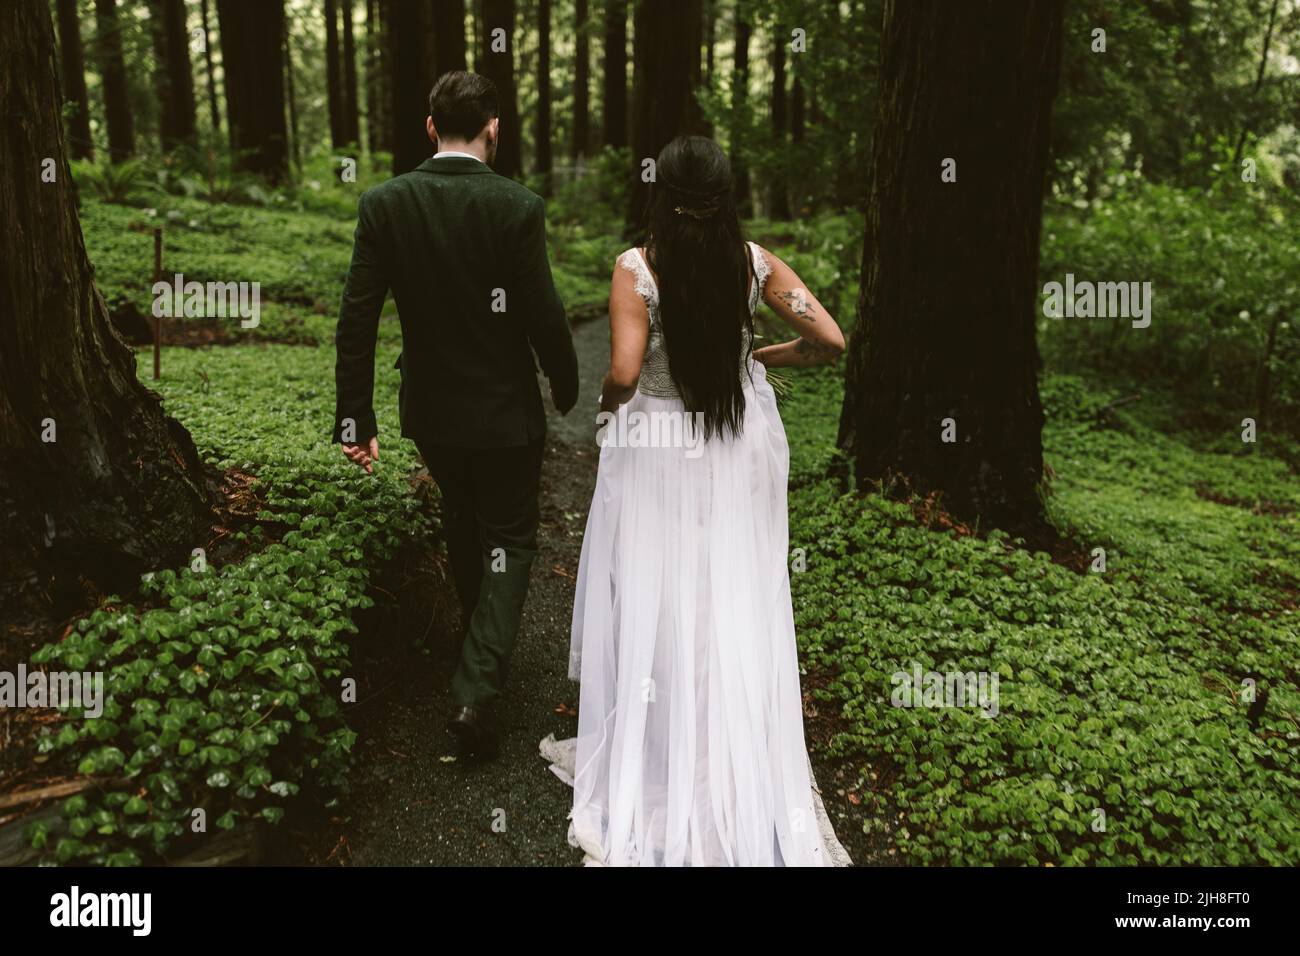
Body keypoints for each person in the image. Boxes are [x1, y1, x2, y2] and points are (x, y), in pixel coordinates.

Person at [567, 135, 846, 865]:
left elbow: (626, 372)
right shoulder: (755, 264)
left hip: (660, 445)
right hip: (736, 442)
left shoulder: (638, 268)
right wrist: (760, 358)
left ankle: (660, 741)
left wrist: (604, 406)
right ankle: (731, 743)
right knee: (733, 585)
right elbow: (829, 340)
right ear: (729, 194)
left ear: (660, 191)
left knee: (662, 583)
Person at [333, 71, 579, 758]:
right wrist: (565, 383)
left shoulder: (386, 203)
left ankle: (480, 643)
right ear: (493, 129)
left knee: (465, 519)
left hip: (432, 415)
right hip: (503, 415)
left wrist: (356, 416)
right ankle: (475, 693)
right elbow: (541, 311)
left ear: (430, 125)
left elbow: (357, 319)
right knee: (509, 535)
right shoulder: (516, 207)